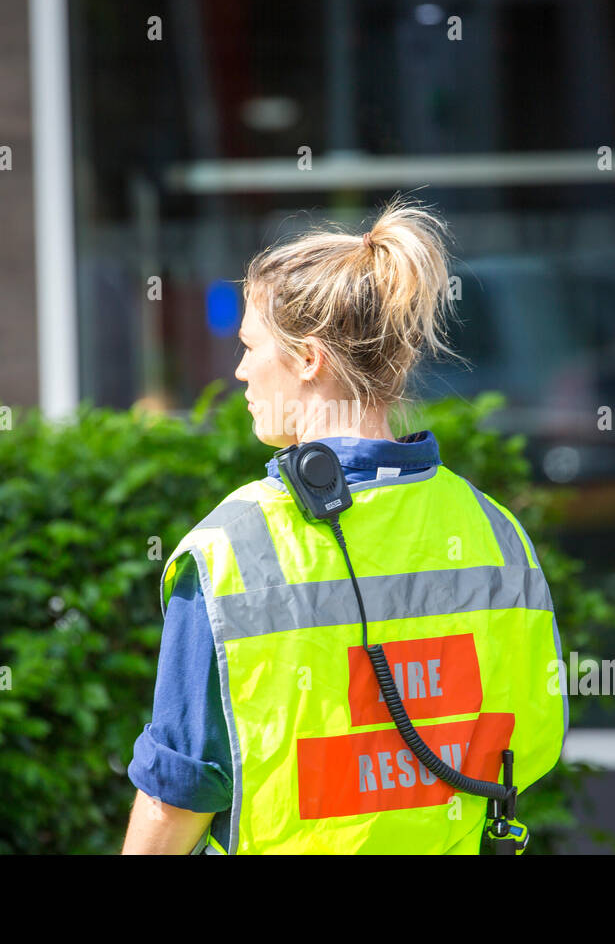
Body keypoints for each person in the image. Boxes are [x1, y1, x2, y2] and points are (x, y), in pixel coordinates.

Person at [121, 196, 566, 855]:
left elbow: (175, 797)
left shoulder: (228, 552)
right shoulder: (495, 531)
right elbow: (528, 742)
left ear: (308, 358)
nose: (240, 370)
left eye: (250, 346)